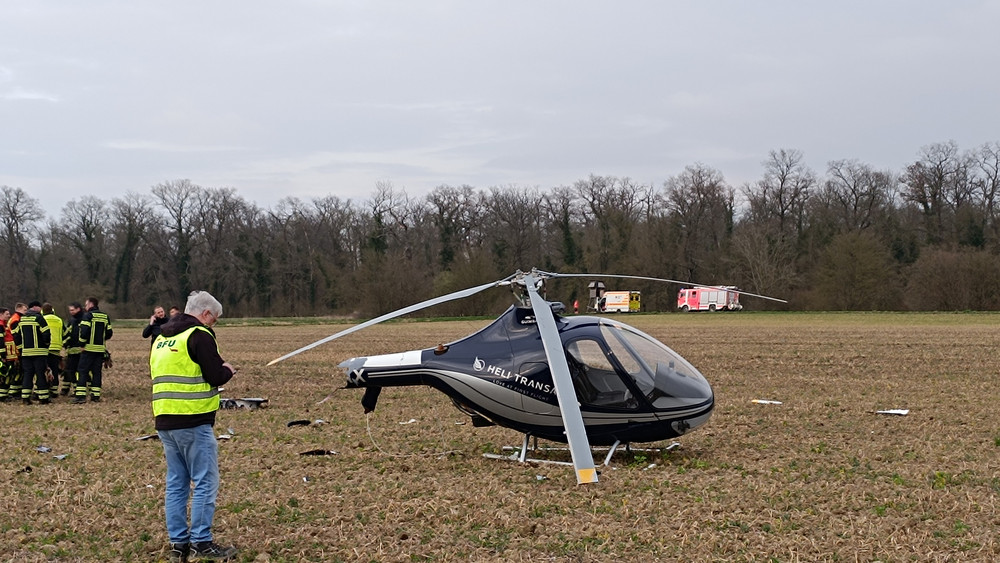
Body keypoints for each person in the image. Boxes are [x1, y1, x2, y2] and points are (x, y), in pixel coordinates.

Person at [151, 290, 238, 562]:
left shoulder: (161, 337)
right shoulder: (199, 335)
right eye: (216, 319)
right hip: (193, 420)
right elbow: (213, 375)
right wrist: (228, 371)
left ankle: (179, 543)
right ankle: (202, 541)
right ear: (206, 314)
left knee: (177, 483)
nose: (215, 324)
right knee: (204, 481)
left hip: (164, 420)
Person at [73, 297, 112, 404]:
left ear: (91, 304)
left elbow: (84, 332)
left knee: (82, 371)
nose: (85, 307)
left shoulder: (88, 316)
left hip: (88, 349)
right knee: (96, 372)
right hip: (100, 349)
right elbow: (109, 333)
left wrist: (81, 343)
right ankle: (95, 396)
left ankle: (80, 396)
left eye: (86, 305)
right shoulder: (105, 316)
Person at [13, 301, 50, 405]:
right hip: (39, 352)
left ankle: (25, 398)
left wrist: (21, 349)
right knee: (40, 374)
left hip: (26, 353)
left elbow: (16, 335)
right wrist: (46, 345)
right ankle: (43, 398)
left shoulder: (22, 320)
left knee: (28, 375)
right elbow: (46, 333)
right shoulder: (39, 318)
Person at [61, 302, 85, 397]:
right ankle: (75, 390)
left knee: (77, 371)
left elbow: (72, 335)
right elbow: (67, 334)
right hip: (72, 351)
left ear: (78, 309)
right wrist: (65, 343)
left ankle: (78, 390)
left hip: (79, 350)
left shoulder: (82, 319)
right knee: (71, 371)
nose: (70, 312)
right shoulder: (73, 320)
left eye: (72, 310)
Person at [41, 303, 64, 396]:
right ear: (52, 310)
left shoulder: (41, 319)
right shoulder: (59, 320)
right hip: (56, 348)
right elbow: (63, 333)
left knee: (43, 369)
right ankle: (54, 390)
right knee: (54, 368)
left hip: (45, 347)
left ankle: (44, 388)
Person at [0, 308, 17, 402]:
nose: (9, 315)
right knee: (5, 374)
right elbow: (1, 342)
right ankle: (2, 396)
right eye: (7, 314)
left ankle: (4, 394)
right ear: (1, 314)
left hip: (7, 354)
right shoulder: (0, 325)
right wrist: (3, 356)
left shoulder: (3, 325)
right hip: (4, 355)